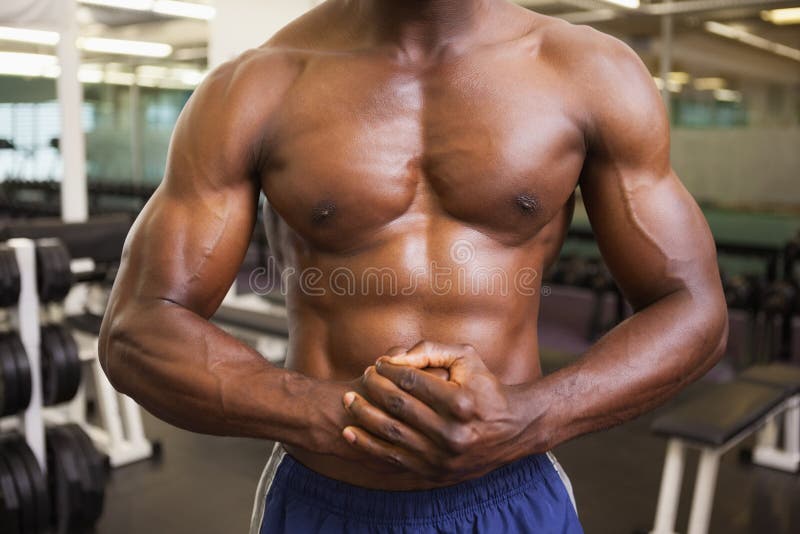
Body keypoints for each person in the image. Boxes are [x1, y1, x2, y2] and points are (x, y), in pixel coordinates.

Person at [98, 0, 728, 532]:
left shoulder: (589, 73)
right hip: (327, 497)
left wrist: (529, 416)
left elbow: (693, 307)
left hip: (512, 490)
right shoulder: (257, 87)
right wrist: (324, 412)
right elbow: (136, 328)